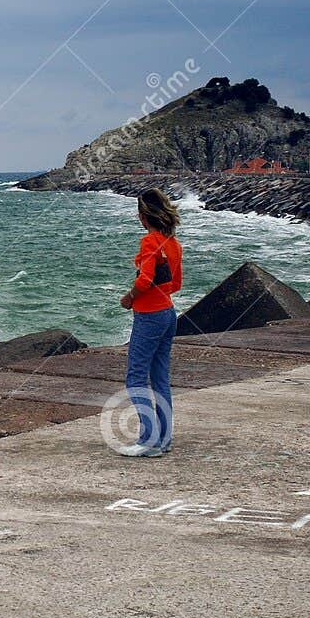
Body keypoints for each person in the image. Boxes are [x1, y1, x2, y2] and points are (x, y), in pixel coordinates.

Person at [117, 188, 182, 457]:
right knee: (160, 378)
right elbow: (175, 284)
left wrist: (130, 298)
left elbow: (144, 280)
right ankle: (163, 440)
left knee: (135, 377)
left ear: (145, 216)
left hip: (150, 316)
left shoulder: (150, 242)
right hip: (168, 314)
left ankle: (148, 439)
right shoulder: (173, 244)